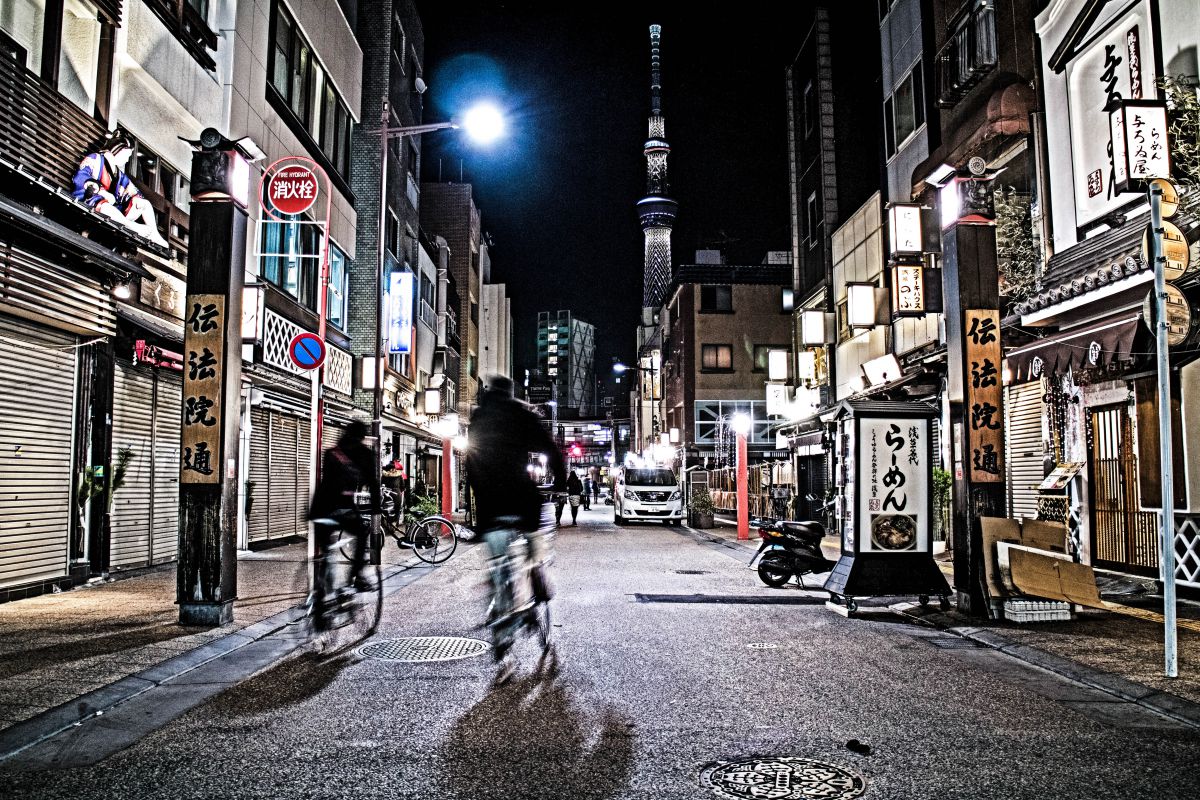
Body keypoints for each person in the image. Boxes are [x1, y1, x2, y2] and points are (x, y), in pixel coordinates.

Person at [466, 374, 565, 682]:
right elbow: (551, 451)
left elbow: (471, 464)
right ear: (511, 394)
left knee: (499, 570)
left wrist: (478, 501)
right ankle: (537, 583)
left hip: (490, 510)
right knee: (534, 552)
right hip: (523, 505)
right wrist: (560, 484)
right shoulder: (522, 415)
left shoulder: (478, 419)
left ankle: (503, 645)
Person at [308, 420, 380, 629]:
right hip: (344, 509)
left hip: (320, 509)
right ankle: (357, 577)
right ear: (362, 436)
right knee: (362, 531)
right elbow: (373, 484)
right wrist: (376, 508)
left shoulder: (332, 452)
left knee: (326, 553)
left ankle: (321, 602)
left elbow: (327, 483)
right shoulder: (365, 454)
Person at [73, 128, 168, 247]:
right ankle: (131, 226)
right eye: (127, 155)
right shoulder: (95, 159)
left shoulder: (118, 174)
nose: (127, 160)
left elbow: (131, 189)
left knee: (144, 203)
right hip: (89, 200)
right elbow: (82, 176)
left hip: (113, 210)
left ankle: (154, 234)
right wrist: (102, 192)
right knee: (105, 207)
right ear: (117, 149)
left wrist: (136, 198)